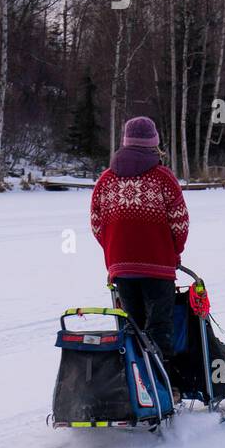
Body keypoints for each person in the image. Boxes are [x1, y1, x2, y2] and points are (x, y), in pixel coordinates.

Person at [89, 116, 189, 357]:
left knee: (131, 327)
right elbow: (180, 222)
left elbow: (96, 223)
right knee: (159, 329)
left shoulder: (106, 179)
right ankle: (164, 388)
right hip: (158, 266)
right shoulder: (163, 178)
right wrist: (173, 252)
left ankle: (137, 383)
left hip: (121, 268)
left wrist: (115, 251)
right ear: (153, 144)